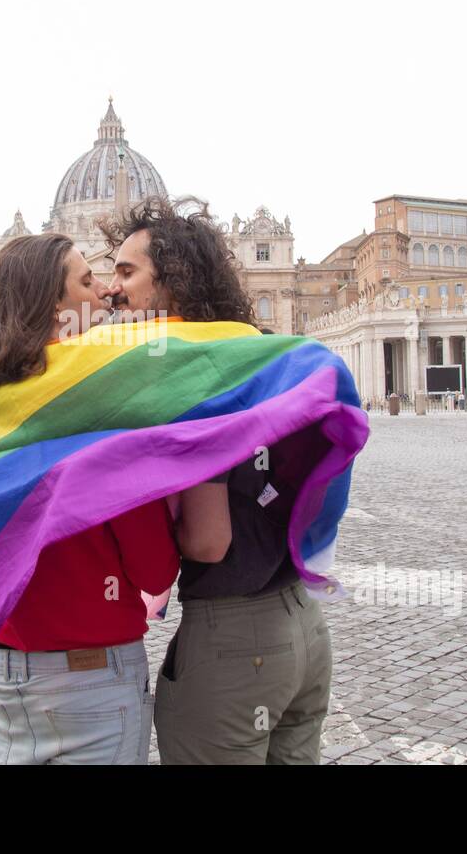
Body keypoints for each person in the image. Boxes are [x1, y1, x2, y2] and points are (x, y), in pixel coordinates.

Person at [101, 196, 332, 765]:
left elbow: (209, 541)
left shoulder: (193, 383)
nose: (111, 288)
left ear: (172, 284)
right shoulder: (253, 359)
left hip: (236, 640)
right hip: (302, 629)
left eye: (127, 272)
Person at [0, 232, 179, 765]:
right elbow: (154, 570)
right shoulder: (107, 409)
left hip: (9, 685)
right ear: (55, 305)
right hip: (92, 682)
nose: (103, 290)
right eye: (86, 279)